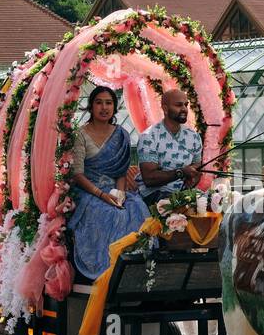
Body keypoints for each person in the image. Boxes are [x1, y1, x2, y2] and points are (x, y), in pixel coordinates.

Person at [68, 85, 150, 279]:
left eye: (109, 103)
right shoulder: (80, 134)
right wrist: (102, 195)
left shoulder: (121, 134)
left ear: (114, 107)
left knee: (135, 207)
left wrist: (119, 195)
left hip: (114, 189)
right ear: (90, 106)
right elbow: (78, 175)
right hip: (89, 192)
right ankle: (109, 271)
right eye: (99, 102)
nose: (104, 107)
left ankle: (135, 270)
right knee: (108, 214)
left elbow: (121, 172)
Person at [138, 89, 202, 206]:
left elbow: (197, 165)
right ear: (165, 109)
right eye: (178, 105)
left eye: (186, 105)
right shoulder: (149, 136)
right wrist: (181, 172)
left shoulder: (194, 136)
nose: (184, 109)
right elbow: (149, 178)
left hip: (184, 192)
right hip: (156, 194)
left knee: (212, 203)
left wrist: (193, 176)